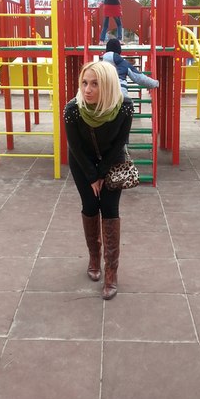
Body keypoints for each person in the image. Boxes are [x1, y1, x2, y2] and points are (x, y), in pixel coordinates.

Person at [64, 61, 134, 300]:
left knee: (110, 209)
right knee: (90, 206)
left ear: (108, 85)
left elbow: (120, 142)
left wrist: (102, 173)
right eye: (84, 83)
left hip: (112, 160)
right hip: (82, 162)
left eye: (95, 84)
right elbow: (75, 147)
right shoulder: (73, 109)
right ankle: (94, 257)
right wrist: (92, 176)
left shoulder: (124, 106)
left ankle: (111, 272)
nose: (87, 89)